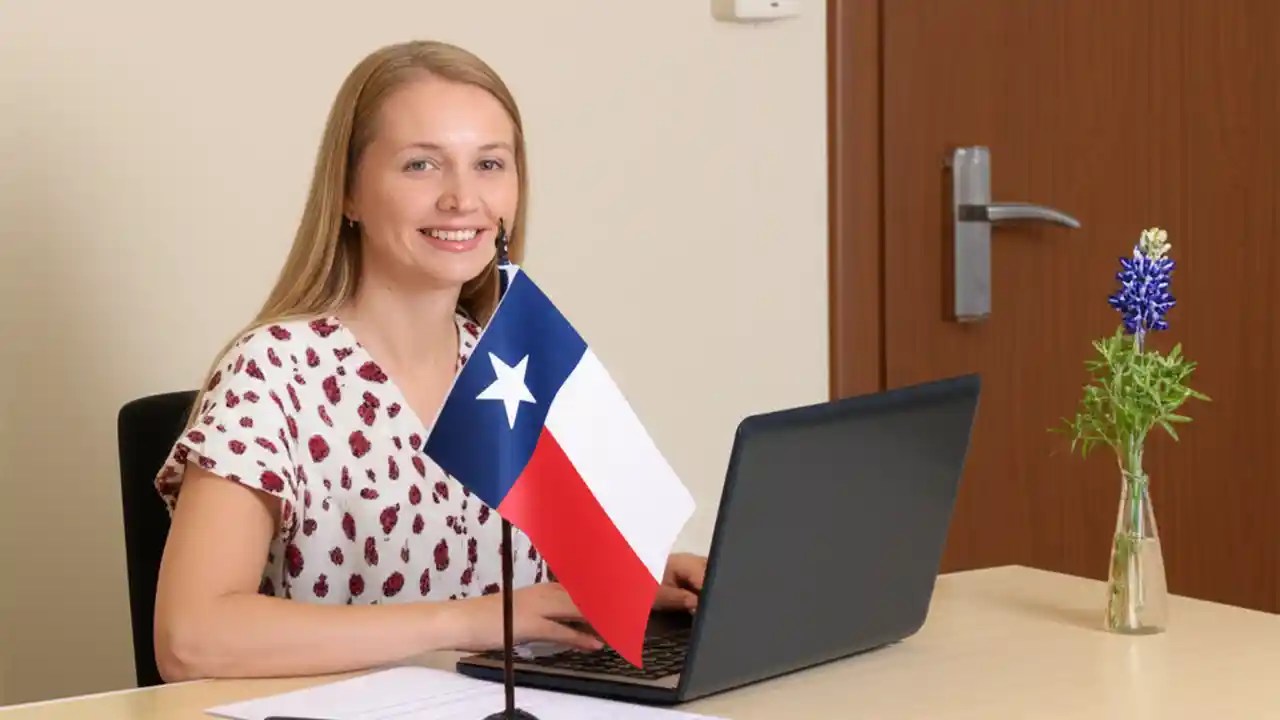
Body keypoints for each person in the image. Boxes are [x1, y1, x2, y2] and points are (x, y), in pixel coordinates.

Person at [151, 39, 706, 683]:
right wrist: (473, 620)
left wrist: (638, 574)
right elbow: (190, 641)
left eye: (490, 164)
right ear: (349, 194)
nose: (462, 199)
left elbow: (534, 579)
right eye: (421, 165)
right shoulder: (274, 373)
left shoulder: (510, 366)